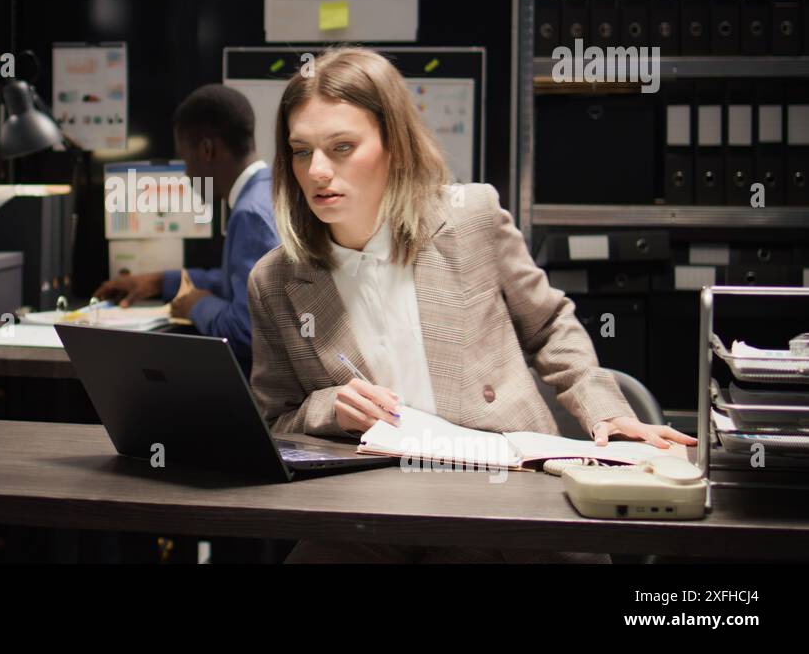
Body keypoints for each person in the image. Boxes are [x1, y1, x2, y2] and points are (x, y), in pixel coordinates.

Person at [247, 47, 696, 563]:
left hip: (498, 492)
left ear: (394, 146)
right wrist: (328, 408)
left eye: (342, 146)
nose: (318, 171)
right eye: (301, 151)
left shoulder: (471, 218)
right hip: (367, 510)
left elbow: (550, 327)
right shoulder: (275, 279)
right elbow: (275, 423)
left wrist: (605, 410)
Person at [94, 84, 278, 369]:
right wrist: (158, 281)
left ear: (207, 150)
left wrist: (196, 306)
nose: (187, 174)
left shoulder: (250, 213)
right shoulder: (267, 192)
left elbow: (247, 332)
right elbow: (240, 283)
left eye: (184, 160)